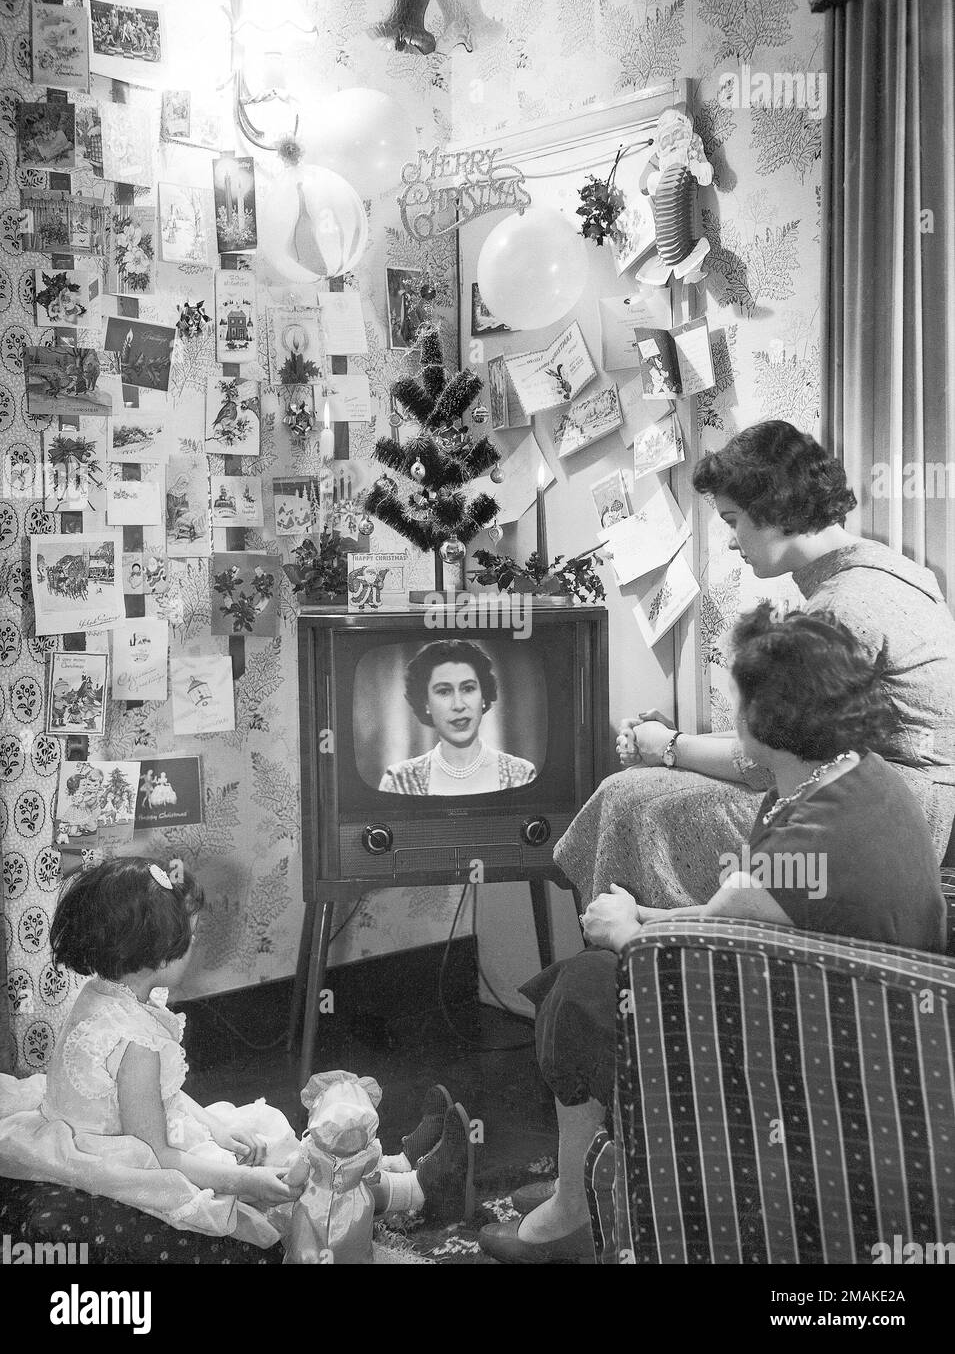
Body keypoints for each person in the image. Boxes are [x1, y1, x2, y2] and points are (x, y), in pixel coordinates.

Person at [479, 606, 947, 1264]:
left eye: (736, 698)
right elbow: (732, 924)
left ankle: (575, 1215)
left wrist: (627, 928)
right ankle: (585, 1184)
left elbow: (707, 937)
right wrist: (641, 918)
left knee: (583, 988)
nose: (731, 713)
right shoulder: (852, 772)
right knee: (577, 979)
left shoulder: (810, 840)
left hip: (836, 1065)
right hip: (874, 1025)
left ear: (769, 717)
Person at [555, 419, 955, 914]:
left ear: (773, 510)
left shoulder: (845, 607)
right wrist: (675, 741)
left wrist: (671, 749)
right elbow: (789, 733)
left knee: (633, 800)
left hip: (884, 814)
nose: (729, 541)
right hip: (874, 791)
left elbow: (767, 761)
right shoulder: (882, 569)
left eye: (731, 520)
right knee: (633, 791)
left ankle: (643, 957)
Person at [0, 858, 473, 1252]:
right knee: (286, 1174)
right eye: (191, 936)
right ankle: (416, 1190)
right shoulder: (135, 1044)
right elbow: (157, 1155)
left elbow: (148, 1101)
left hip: (117, 1133)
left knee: (256, 1136)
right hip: (139, 1160)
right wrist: (244, 1183)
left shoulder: (105, 996)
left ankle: (394, 1163)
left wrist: (218, 1127)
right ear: (157, 953)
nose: (194, 946)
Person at [379, 639, 536, 795]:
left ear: (483, 697)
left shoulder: (521, 775)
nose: (458, 705)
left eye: (468, 688)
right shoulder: (400, 781)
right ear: (426, 703)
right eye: (444, 691)